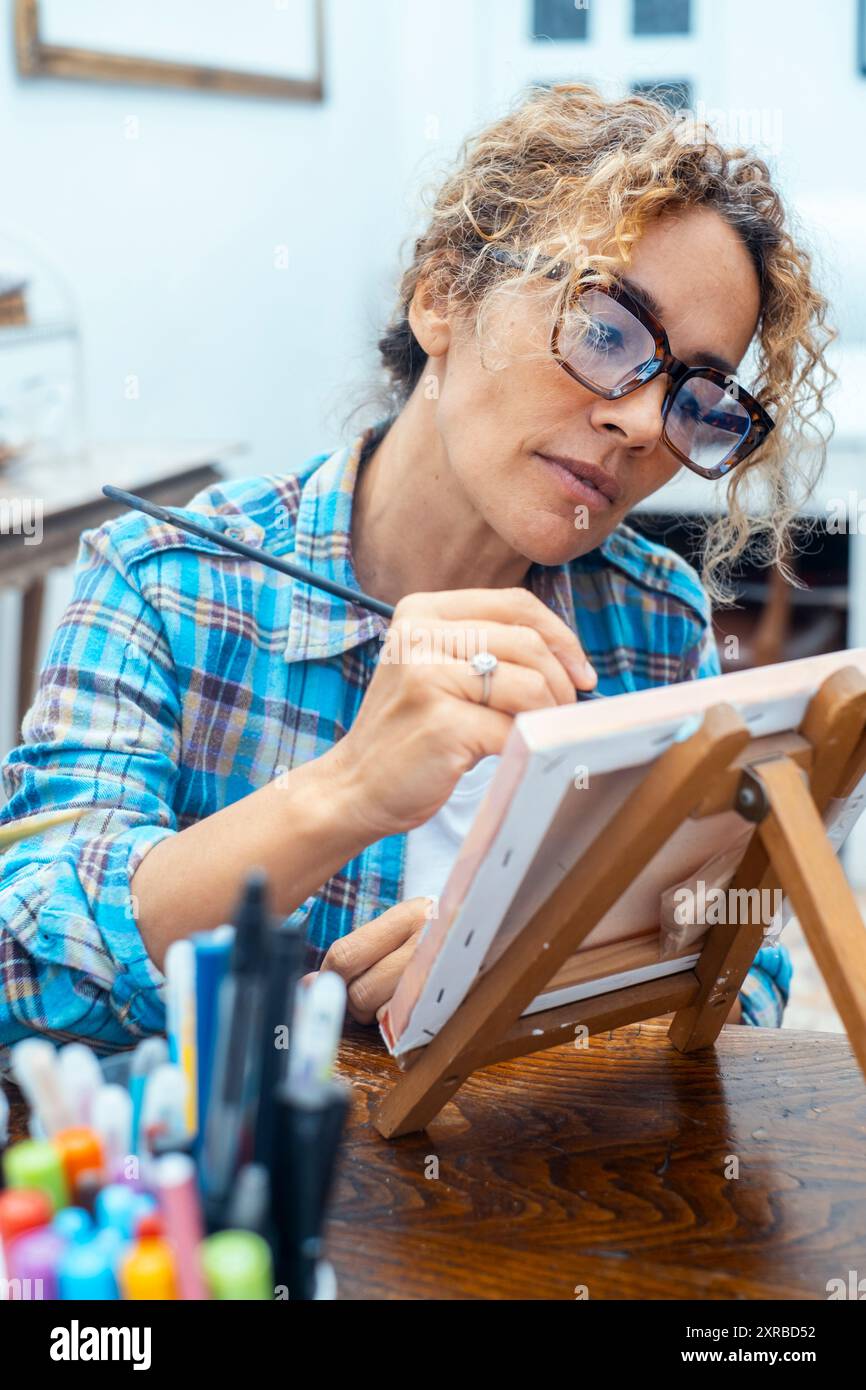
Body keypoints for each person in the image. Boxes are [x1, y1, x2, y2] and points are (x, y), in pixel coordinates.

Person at [0, 83, 831, 1048]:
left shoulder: (652, 621)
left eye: (697, 394)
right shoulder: (168, 580)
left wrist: (526, 988)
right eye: (606, 330)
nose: (645, 424)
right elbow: (22, 966)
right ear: (441, 297)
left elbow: (746, 969)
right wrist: (343, 793)